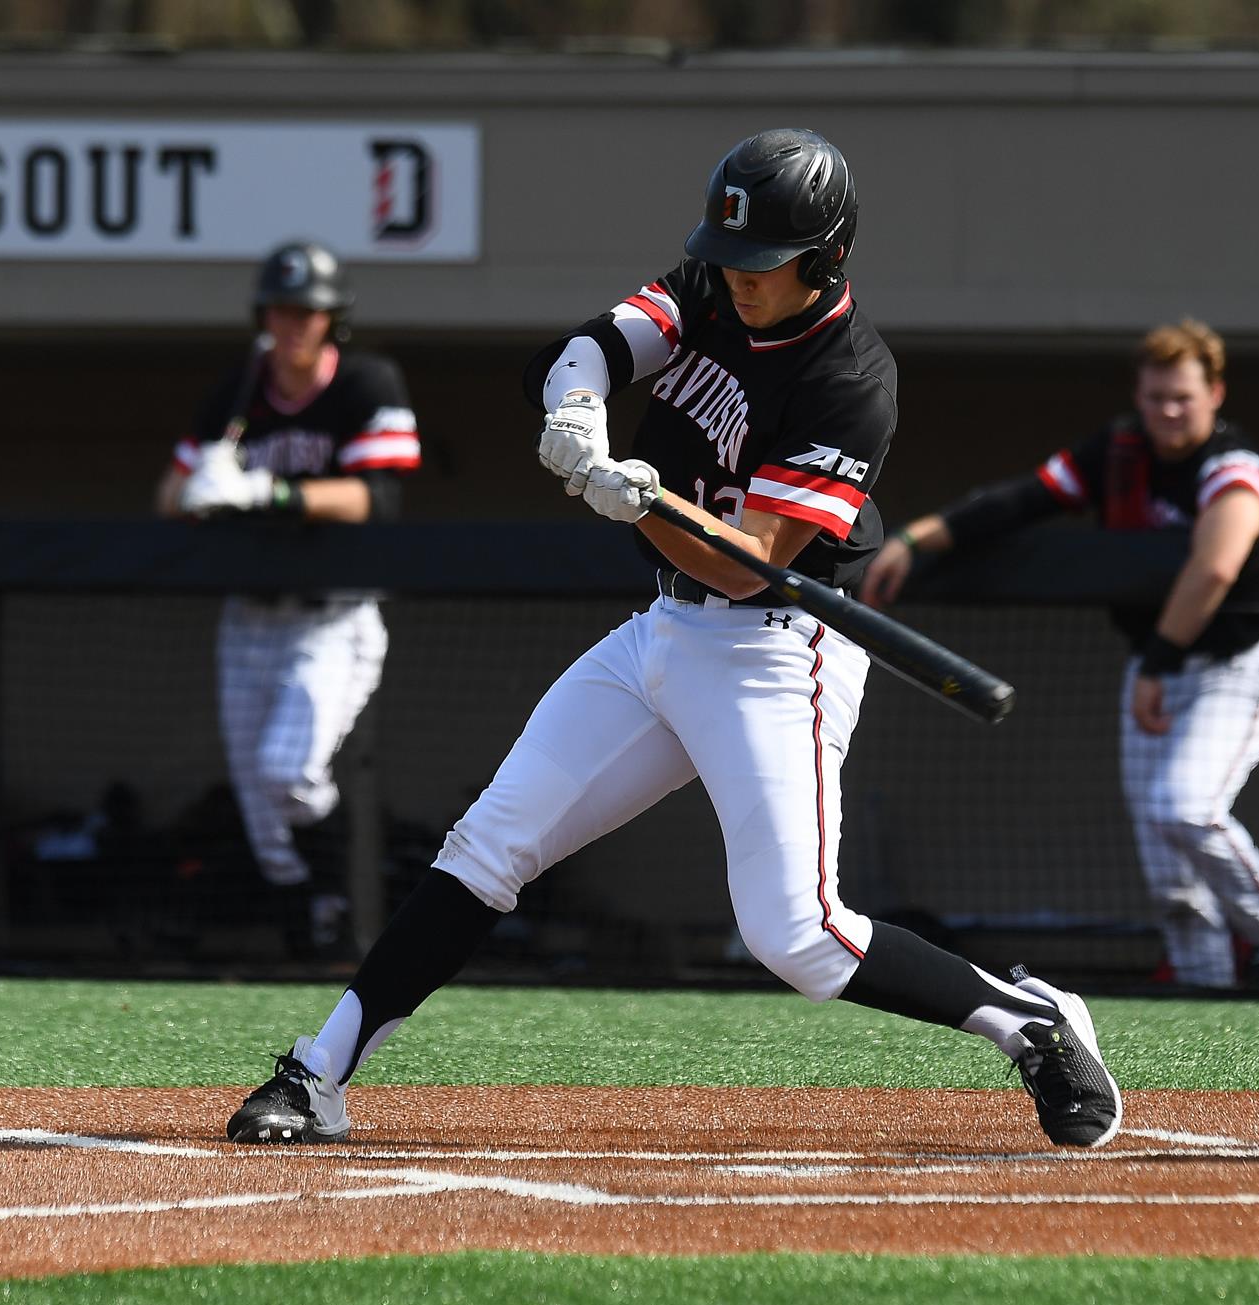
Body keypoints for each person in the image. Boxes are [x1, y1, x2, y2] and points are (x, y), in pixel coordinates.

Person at [225, 130, 1120, 1150]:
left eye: (762, 264)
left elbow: (745, 560)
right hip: (660, 631)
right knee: (485, 847)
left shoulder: (849, 380)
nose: (735, 282)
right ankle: (319, 1072)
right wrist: (579, 413)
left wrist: (630, 502)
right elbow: (596, 346)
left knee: (798, 937)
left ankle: (1028, 1022)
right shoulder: (710, 280)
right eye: (728, 259)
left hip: (775, 653)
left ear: (825, 257)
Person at [862, 319, 1259, 992]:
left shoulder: (1232, 464)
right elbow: (1023, 500)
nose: (1167, 410)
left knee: (1184, 807)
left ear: (1214, 393)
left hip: (1231, 672)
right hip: (1153, 669)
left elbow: (1216, 567)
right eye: (1155, 395)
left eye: (1183, 397)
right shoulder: (1119, 452)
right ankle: (1207, 989)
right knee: (1167, 869)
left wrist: (1158, 663)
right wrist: (919, 539)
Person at [154, 240, 421, 960]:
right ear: (264, 315)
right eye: (283, 309)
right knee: (261, 813)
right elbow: (169, 494)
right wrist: (204, 486)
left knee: (289, 773)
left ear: (333, 318)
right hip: (248, 617)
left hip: (332, 613)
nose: (295, 324)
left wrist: (267, 492)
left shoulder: (367, 381)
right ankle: (306, 924)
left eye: (310, 311)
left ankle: (341, 901)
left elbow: (377, 495)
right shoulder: (237, 391)